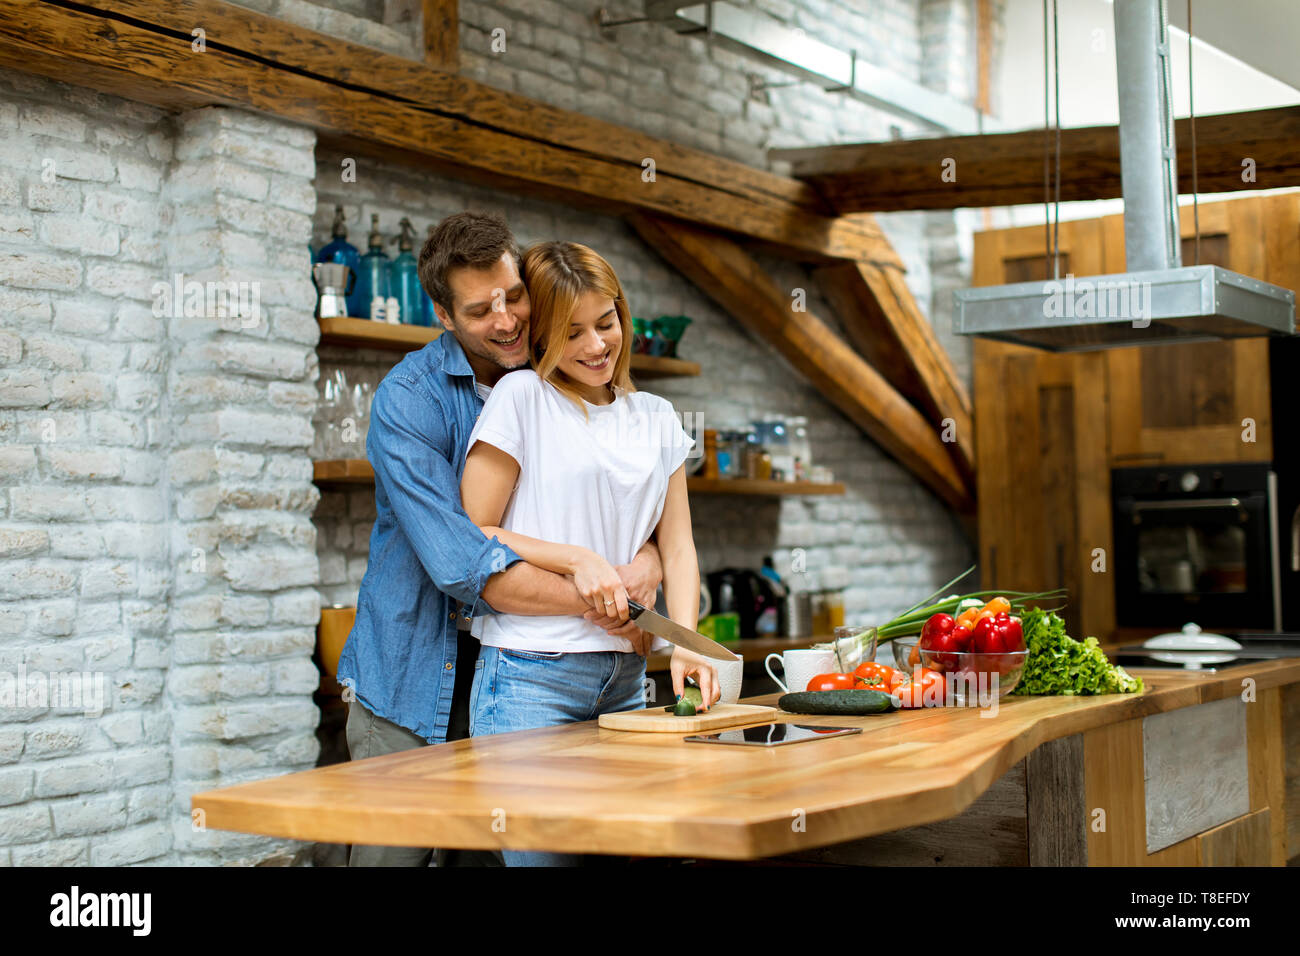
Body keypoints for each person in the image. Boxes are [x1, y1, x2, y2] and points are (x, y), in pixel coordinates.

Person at [337, 213, 664, 867]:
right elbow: (463, 565)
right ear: (443, 313)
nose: (508, 320)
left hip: (521, 680)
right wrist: (605, 602)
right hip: (411, 679)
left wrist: (646, 560)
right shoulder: (410, 400)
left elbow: (619, 514)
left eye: (513, 296)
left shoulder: (565, 380)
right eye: (480, 309)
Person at [460, 241, 719, 866]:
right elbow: (472, 527)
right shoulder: (521, 398)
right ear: (544, 335)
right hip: (528, 681)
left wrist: (685, 642)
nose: (597, 345)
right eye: (572, 332)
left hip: (625, 680)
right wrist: (574, 558)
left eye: (606, 323)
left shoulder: (656, 417)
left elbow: (678, 545)